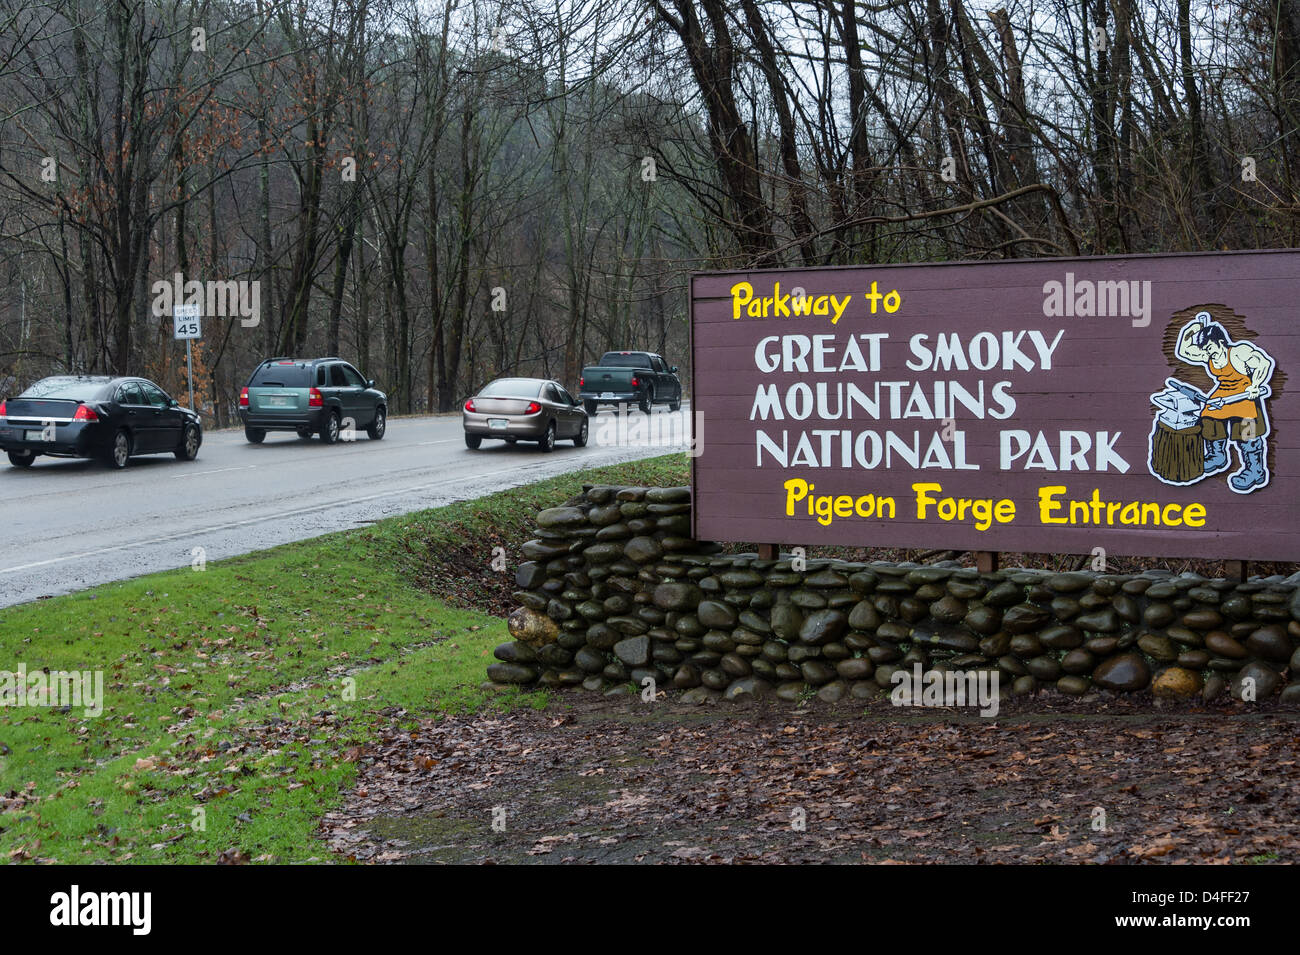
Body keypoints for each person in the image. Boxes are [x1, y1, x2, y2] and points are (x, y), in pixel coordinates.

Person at [1174, 312, 1274, 493]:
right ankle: (1217, 456)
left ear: (1220, 342)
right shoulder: (1209, 356)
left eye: (1209, 347)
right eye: (1204, 349)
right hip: (1223, 392)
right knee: (1208, 415)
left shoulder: (1238, 352)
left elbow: (1263, 364)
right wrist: (1195, 327)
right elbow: (1183, 350)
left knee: (1246, 430)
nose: (1206, 352)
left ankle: (1254, 470)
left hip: (1244, 394)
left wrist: (1256, 385)